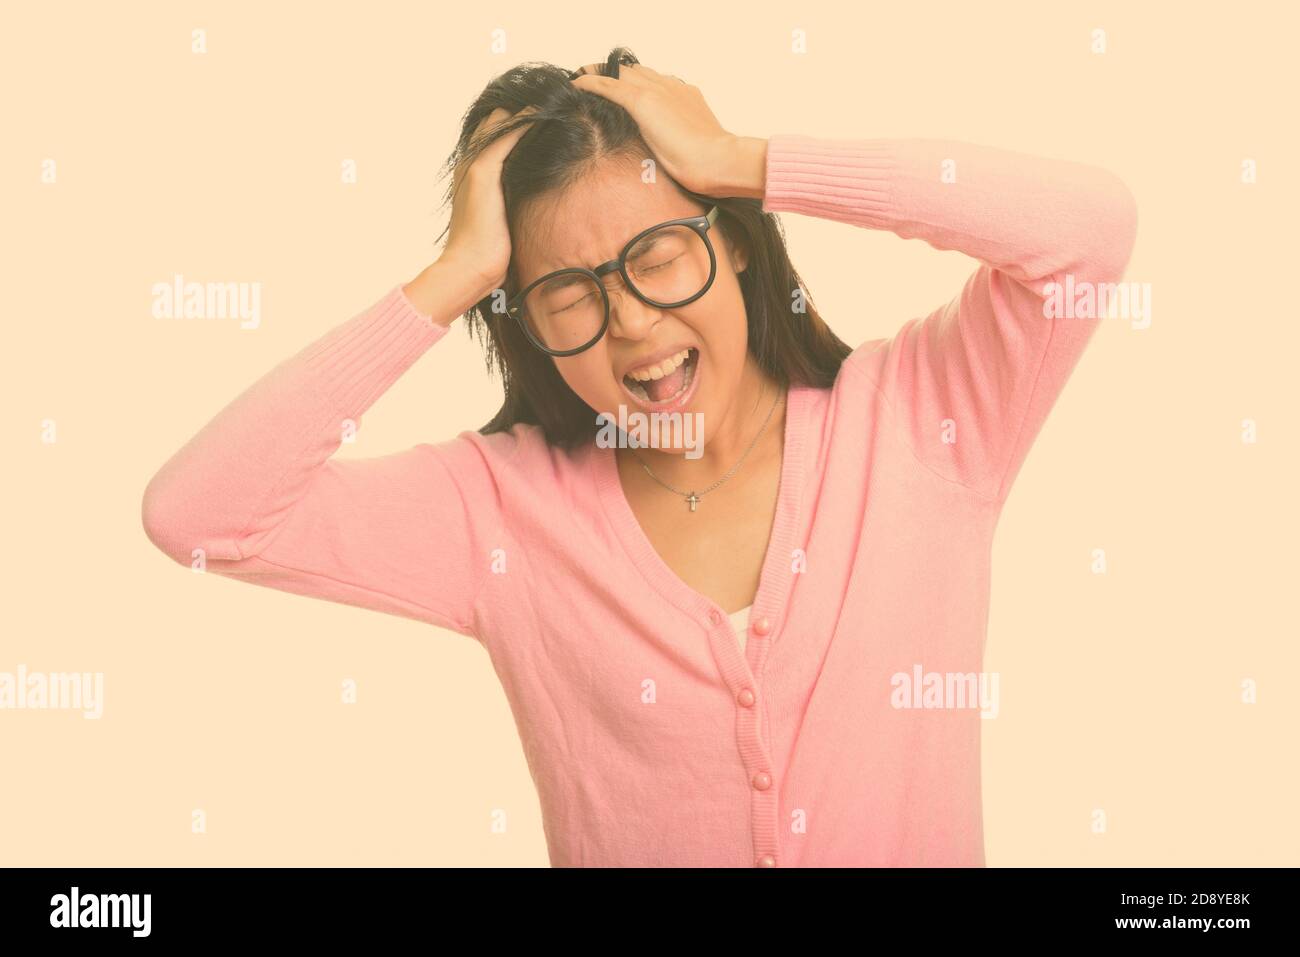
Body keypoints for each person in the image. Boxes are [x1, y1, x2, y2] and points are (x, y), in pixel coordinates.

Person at [141, 47, 1138, 867]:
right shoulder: (500, 513)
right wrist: (455, 275)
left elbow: (1088, 233)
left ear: (734, 239)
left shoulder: (924, 420)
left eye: (658, 254)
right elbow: (198, 516)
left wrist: (742, 156)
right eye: (567, 293)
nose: (631, 322)